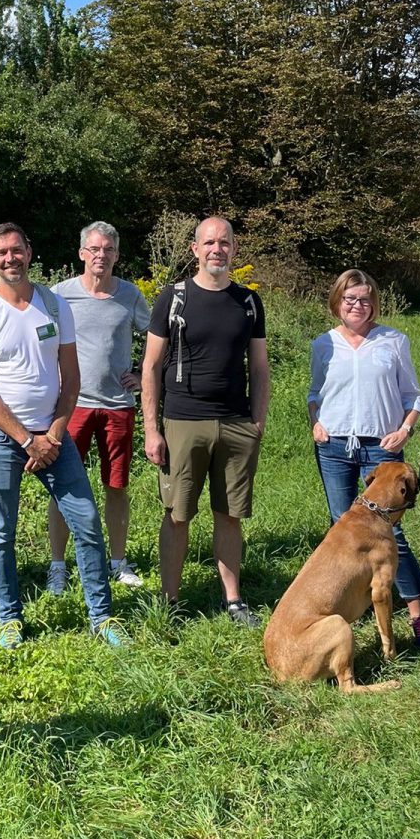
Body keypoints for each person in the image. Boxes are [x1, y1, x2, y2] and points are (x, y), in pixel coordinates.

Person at [0, 222, 126, 649]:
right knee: (1, 531)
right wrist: (25, 440)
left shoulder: (55, 307)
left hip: (53, 437)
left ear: (29, 252)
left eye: (16, 250)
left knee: (87, 522)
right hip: (1, 440)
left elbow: (71, 379)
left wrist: (53, 433)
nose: (10, 259)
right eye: (1, 253)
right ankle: (9, 619)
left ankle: (102, 617)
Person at [141, 216, 269, 624]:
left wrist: (258, 422)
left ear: (234, 249)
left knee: (229, 515)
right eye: (209, 242)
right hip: (183, 421)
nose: (218, 249)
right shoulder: (173, 297)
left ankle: (233, 601)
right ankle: (170, 602)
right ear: (195, 249)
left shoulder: (248, 301)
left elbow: (261, 368)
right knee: (177, 514)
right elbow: (151, 366)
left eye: (225, 242)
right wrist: (151, 429)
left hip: (235, 423)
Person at [308, 268, 420, 647]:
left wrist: (406, 429)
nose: (357, 305)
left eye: (364, 299)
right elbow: (314, 393)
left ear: (374, 303)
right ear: (337, 302)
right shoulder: (324, 344)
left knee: (389, 532)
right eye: (349, 299)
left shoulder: (393, 341)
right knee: (343, 529)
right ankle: (361, 602)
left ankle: (418, 616)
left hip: (381, 448)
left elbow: (413, 395)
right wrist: (316, 421)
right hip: (334, 446)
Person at [46, 221, 152, 593]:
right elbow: (38, 338)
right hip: (71, 407)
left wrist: (143, 374)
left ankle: (118, 563)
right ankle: (58, 566)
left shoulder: (130, 295)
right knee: (62, 488)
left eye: (107, 250)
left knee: (117, 486)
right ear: (81, 254)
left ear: (116, 255)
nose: (100, 256)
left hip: (118, 406)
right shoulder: (59, 296)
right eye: (94, 249)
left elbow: (158, 338)